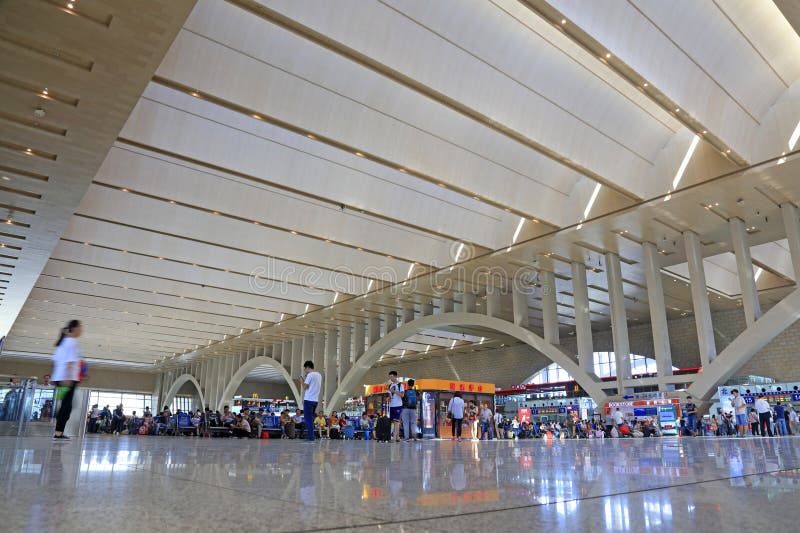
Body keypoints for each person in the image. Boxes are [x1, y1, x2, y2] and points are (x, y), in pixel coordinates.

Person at [51, 320, 83, 441]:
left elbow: (55, 360)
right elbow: (69, 361)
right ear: (74, 328)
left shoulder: (63, 342)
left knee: (65, 405)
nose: (81, 330)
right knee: (66, 406)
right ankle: (58, 432)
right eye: (80, 327)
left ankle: (58, 432)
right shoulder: (71, 342)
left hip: (60, 378)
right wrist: (68, 377)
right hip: (67, 379)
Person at [301, 361, 322, 441]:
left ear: (308, 367)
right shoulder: (319, 375)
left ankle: (310, 437)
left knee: (308, 419)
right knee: (311, 419)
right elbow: (313, 385)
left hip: (308, 400)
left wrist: (301, 380)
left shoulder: (310, 375)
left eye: (305, 369)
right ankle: (311, 436)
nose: (305, 371)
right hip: (315, 400)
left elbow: (305, 387)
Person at [385, 371, 404, 443]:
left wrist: (394, 391)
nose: (391, 379)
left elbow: (402, 395)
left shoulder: (400, 385)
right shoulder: (390, 385)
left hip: (398, 405)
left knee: (396, 422)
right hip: (391, 405)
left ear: (396, 376)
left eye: (392, 377)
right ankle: (398, 437)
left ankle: (394, 438)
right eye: (390, 377)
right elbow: (390, 395)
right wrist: (388, 398)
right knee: (395, 421)